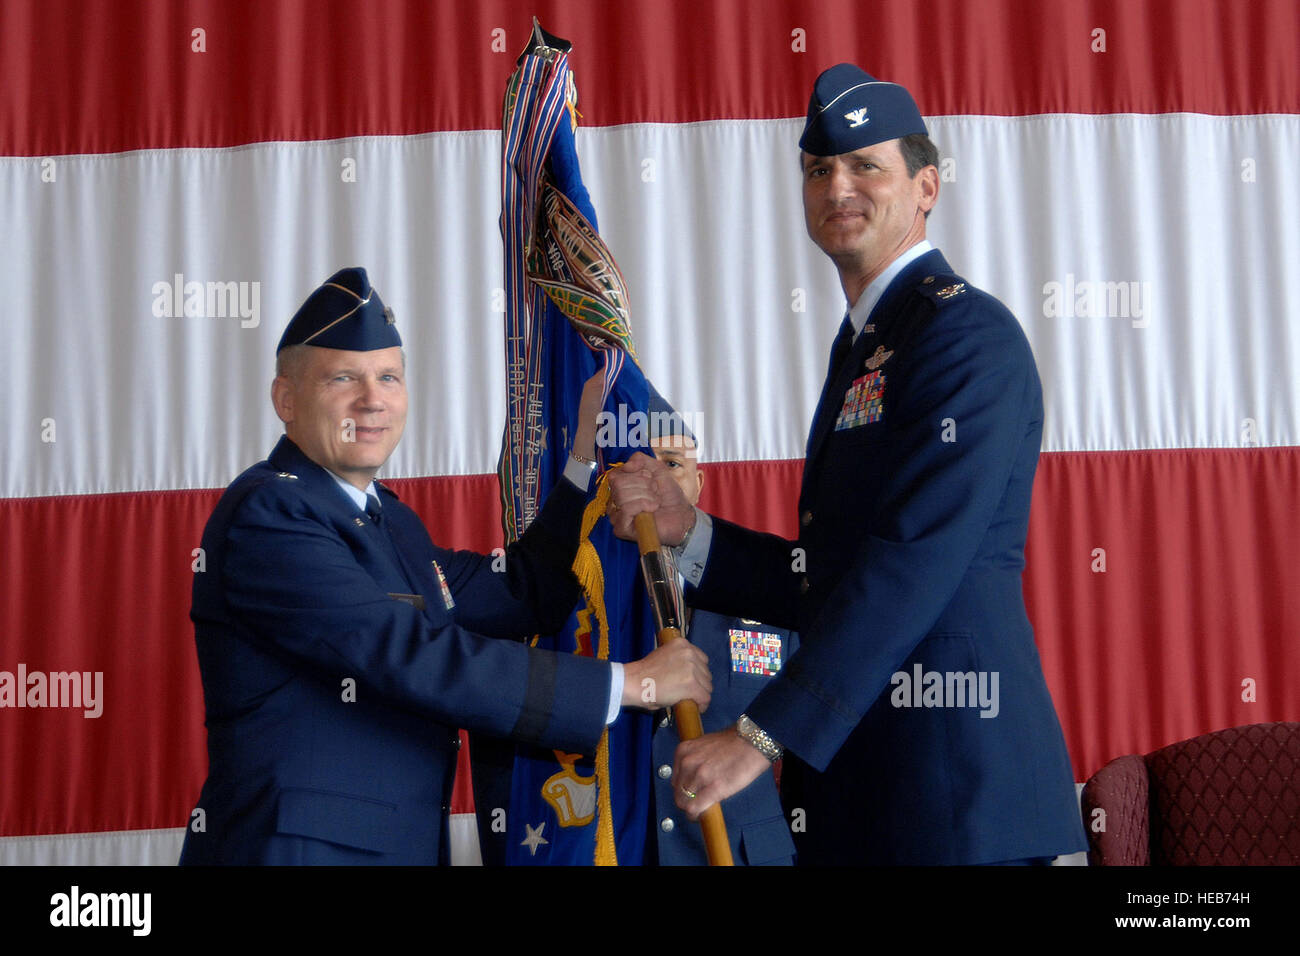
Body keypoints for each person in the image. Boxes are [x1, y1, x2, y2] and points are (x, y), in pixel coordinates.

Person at [607, 65, 1087, 865]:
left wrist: (759, 736)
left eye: (867, 165)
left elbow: (910, 561)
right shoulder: (866, 344)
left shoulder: (964, 336)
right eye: (819, 168)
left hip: (956, 796)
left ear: (926, 185)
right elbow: (825, 574)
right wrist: (690, 530)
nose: (839, 186)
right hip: (865, 796)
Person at [179, 267, 710, 865]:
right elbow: (414, 656)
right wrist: (633, 683)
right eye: (343, 378)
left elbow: (519, 594)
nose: (372, 399)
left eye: (388, 377)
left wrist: (584, 454)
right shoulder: (272, 513)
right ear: (286, 400)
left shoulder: (388, 522)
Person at [643, 387, 798, 866]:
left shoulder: (771, 592)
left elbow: (813, 711)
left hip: (746, 852)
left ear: (699, 482)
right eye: (641, 464)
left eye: (671, 463)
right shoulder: (590, 606)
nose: (654, 478)